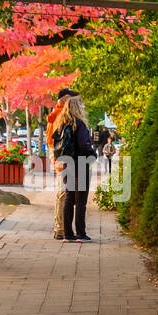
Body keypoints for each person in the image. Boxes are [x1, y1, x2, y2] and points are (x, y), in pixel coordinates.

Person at [51, 95, 96, 243]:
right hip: (81, 163)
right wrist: (92, 154)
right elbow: (84, 145)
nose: (84, 108)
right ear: (78, 107)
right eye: (82, 106)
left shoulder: (62, 124)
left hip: (66, 164)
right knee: (81, 200)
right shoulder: (80, 124)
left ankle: (68, 235)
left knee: (69, 198)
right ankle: (81, 234)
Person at [48, 88, 78, 240]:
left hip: (61, 159)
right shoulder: (60, 116)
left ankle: (59, 227)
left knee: (63, 192)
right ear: (66, 99)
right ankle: (60, 229)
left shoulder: (57, 114)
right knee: (63, 193)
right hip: (63, 159)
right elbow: (58, 143)